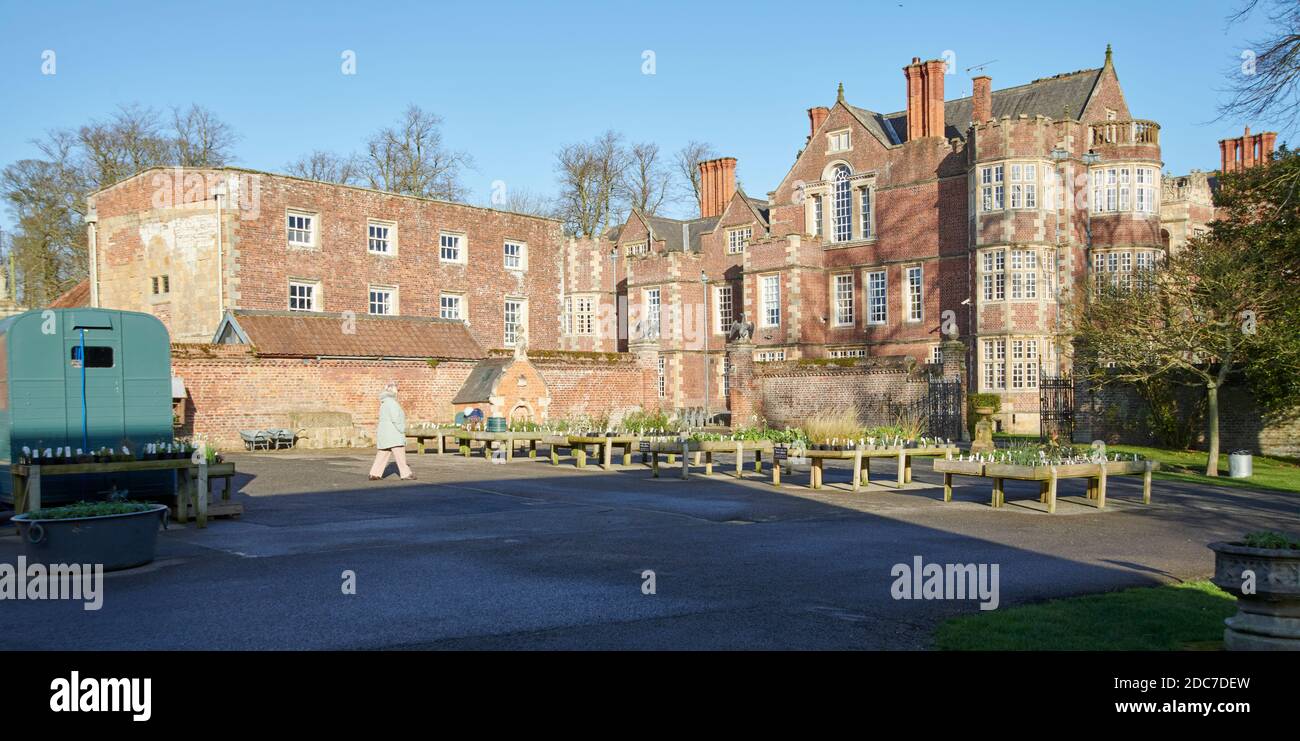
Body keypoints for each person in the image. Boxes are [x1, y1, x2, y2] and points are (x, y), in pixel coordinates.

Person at [369, 382, 415, 481]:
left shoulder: (384, 403)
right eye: (397, 390)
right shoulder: (392, 403)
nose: (398, 392)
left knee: (383, 453)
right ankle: (406, 474)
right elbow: (396, 418)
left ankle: (374, 473)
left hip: (384, 433)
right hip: (394, 433)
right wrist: (402, 429)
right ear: (394, 391)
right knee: (400, 454)